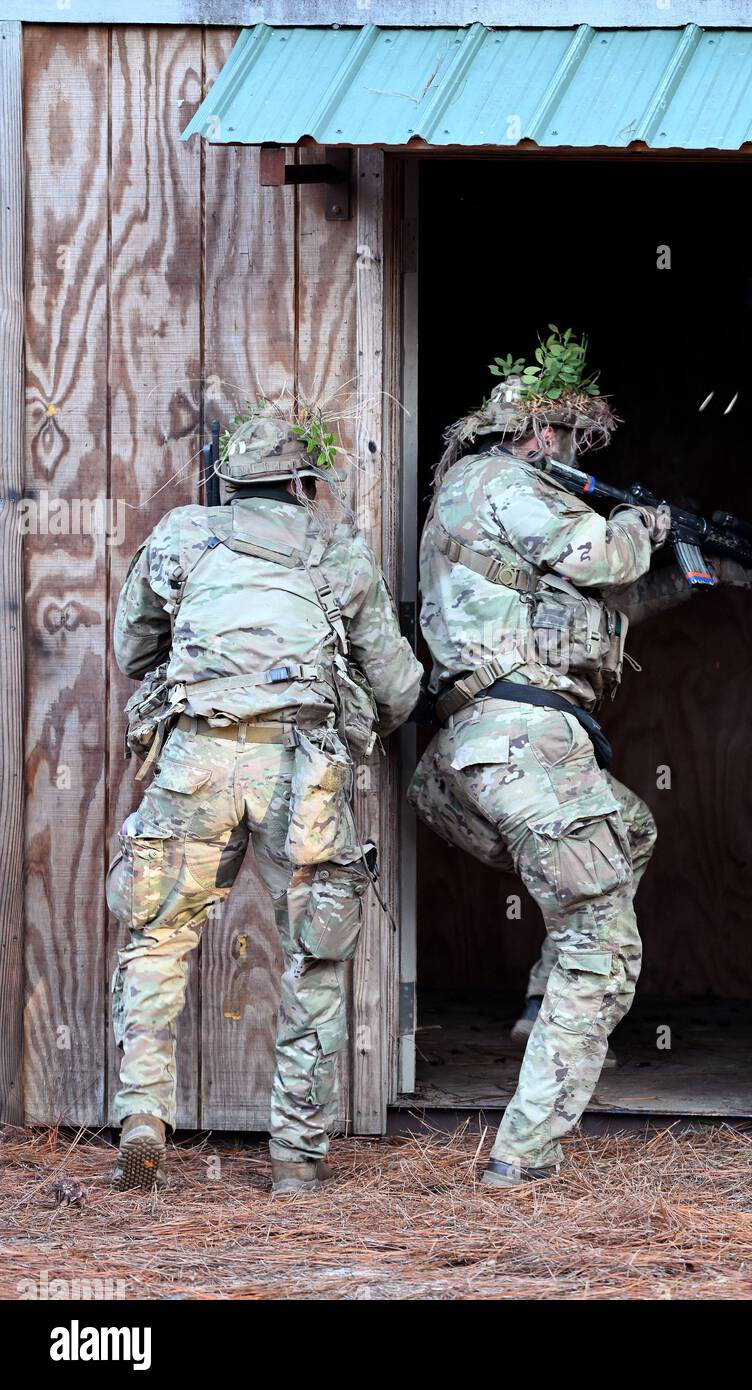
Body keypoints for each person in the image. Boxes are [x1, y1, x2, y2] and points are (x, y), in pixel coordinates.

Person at [108, 405, 421, 1194]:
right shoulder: (335, 548)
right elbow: (396, 685)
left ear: (230, 481)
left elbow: (132, 648)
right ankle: (295, 1161)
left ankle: (144, 1113)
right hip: (301, 766)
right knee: (312, 955)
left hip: (196, 760)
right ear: (298, 481)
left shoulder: (182, 535)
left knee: (157, 936)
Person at [408, 337, 673, 1187]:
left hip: (492, 745)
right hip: (526, 746)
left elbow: (583, 602)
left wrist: (695, 574)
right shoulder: (501, 482)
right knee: (602, 944)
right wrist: (646, 523)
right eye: (565, 437)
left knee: (631, 827)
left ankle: (537, 999)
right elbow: (604, 558)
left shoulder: (471, 503)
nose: (568, 453)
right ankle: (525, 1157)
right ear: (535, 434)